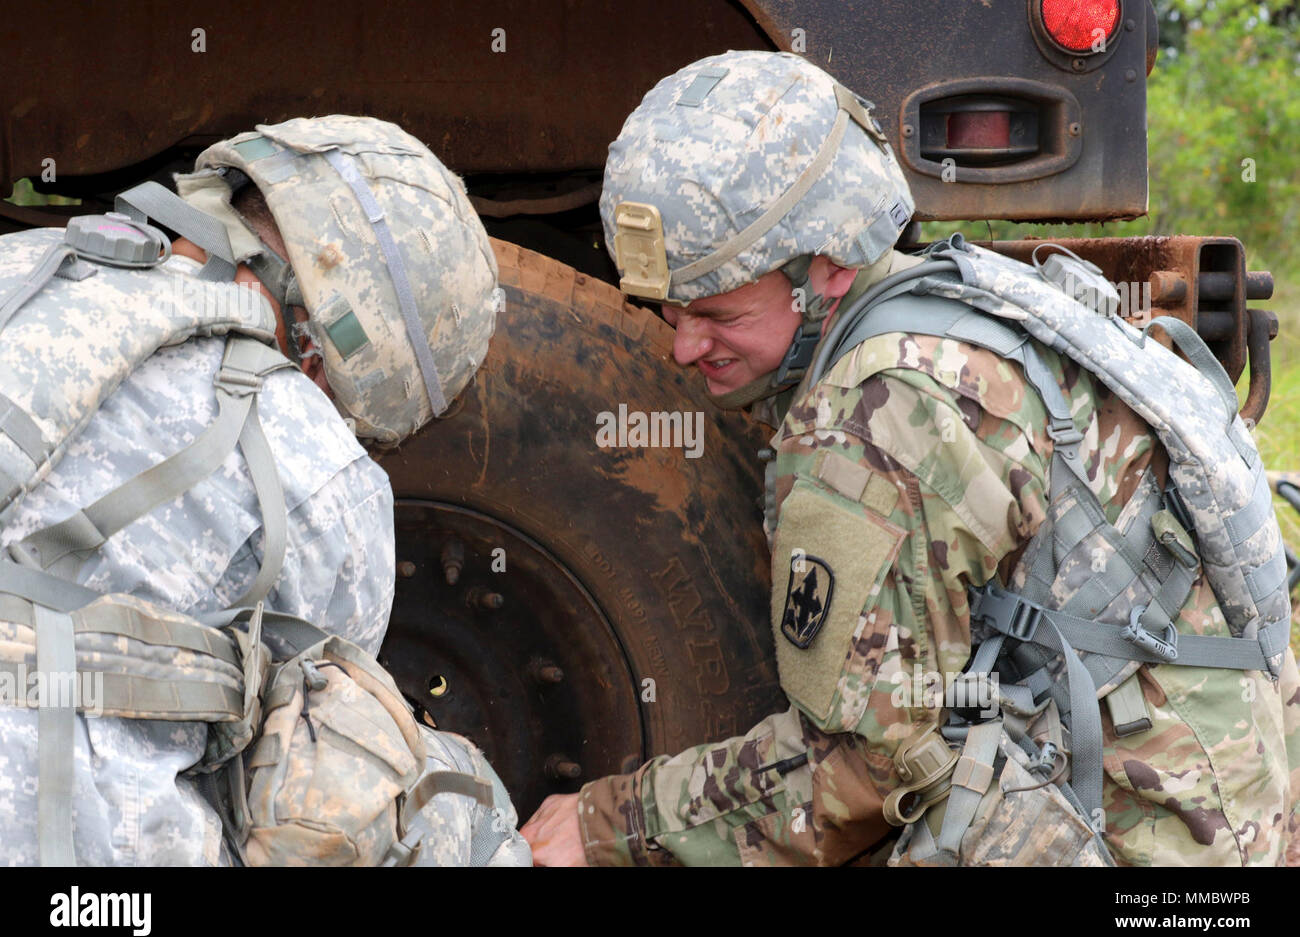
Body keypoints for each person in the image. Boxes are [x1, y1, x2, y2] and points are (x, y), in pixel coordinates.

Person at [522, 51, 1300, 867]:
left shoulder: (877, 418)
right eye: (669, 311)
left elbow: (865, 767)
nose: (682, 346)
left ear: (827, 267)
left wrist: (611, 825)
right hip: (1236, 795)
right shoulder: (967, 293)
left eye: (717, 313)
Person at [0, 115, 526, 865]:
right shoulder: (323, 467)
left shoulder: (19, 265)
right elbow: (314, 778)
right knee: (450, 809)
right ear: (326, 361)